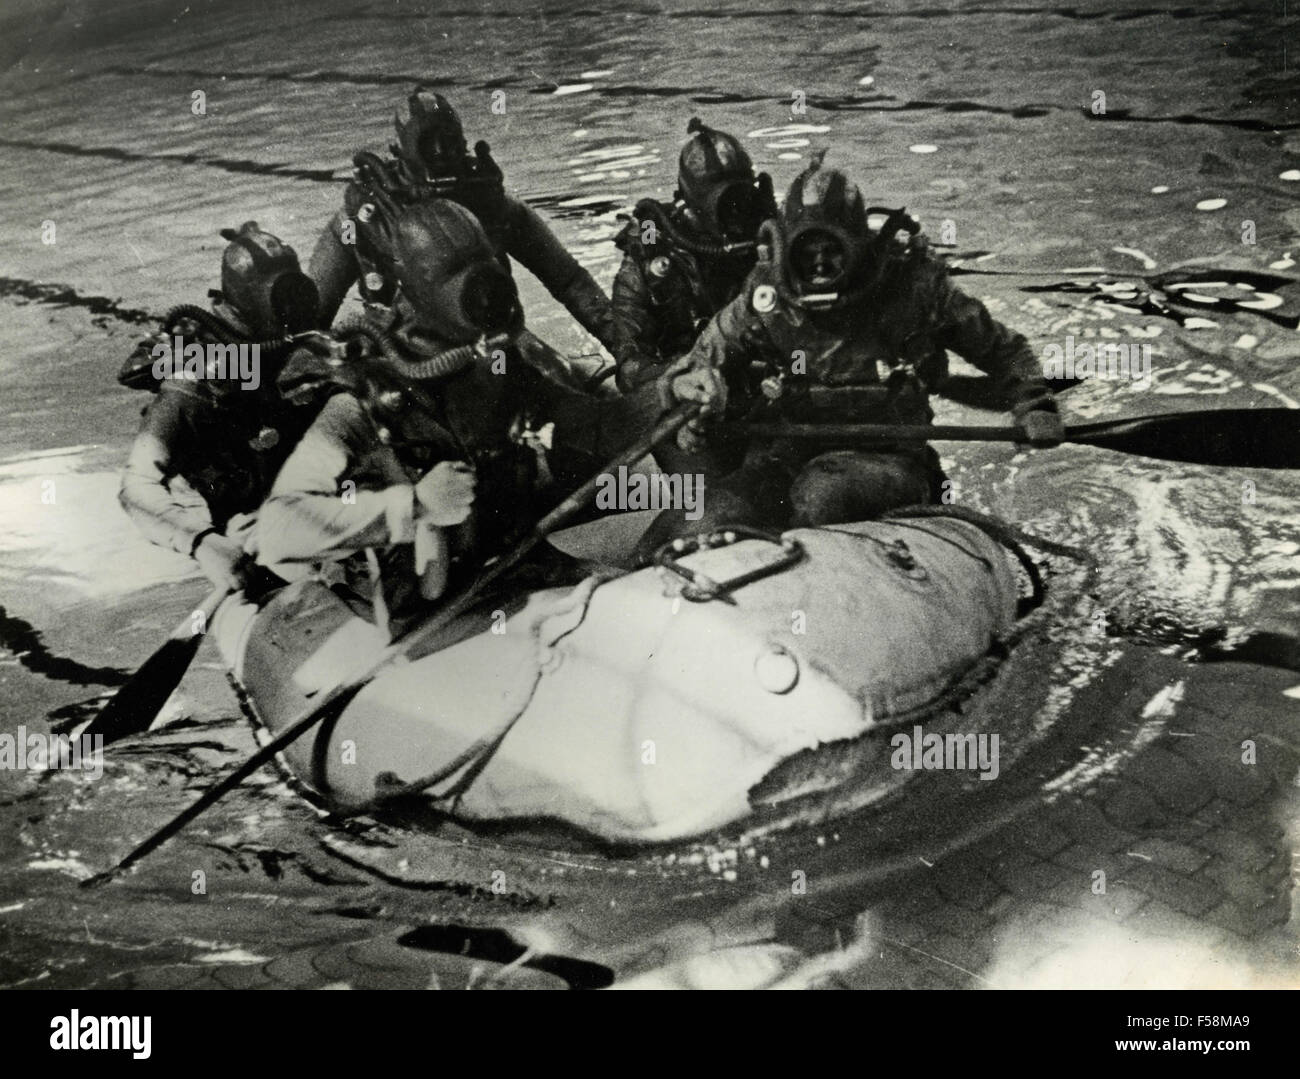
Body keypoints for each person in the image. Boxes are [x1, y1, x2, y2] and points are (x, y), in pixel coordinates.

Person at [645, 153, 1064, 555]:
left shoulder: (912, 285)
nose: (822, 266)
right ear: (788, 247)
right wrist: (692, 385)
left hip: (892, 459)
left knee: (823, 494)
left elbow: (1005, 350)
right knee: (705, 512)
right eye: (808, 255)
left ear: (858, 243)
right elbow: (702, 359)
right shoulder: (766, 294)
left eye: (833, 251)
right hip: (787, 454)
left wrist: (1034, 403)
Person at [258, 198, 590, 639]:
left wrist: (668, 389)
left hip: (519, 565)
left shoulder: (501, 361)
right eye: (454, 269)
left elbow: (595, 421)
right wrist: (414, 506)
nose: (481, 286)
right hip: (428, 611)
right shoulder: (365, 397)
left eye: (481, 259)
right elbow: (278, 528)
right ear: (415, 290)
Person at [307, 85, 615, 355]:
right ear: (400, 151)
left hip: (493, 345)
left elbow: (570, 282)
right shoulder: (364, 218)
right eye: (428, 143)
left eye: (449, 141)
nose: (441, 153)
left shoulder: (493, 204)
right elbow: (310, 318)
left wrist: (627, 352)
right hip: (400, 359)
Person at [118, 222, 323, 593]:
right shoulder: (201, 373)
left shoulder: (294, 341)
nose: (295, 307)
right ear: (253, 301)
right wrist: (204, 545)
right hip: (248, 518)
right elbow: (136, 486)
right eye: (283, 296)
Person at [611, 117, 776, 393]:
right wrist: (684, 375)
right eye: (725, 203)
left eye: (742, 201)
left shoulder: (773, 238)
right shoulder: (651, 255)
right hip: (692, 388)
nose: (735, 216)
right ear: (690, 204)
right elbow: (630, 369)